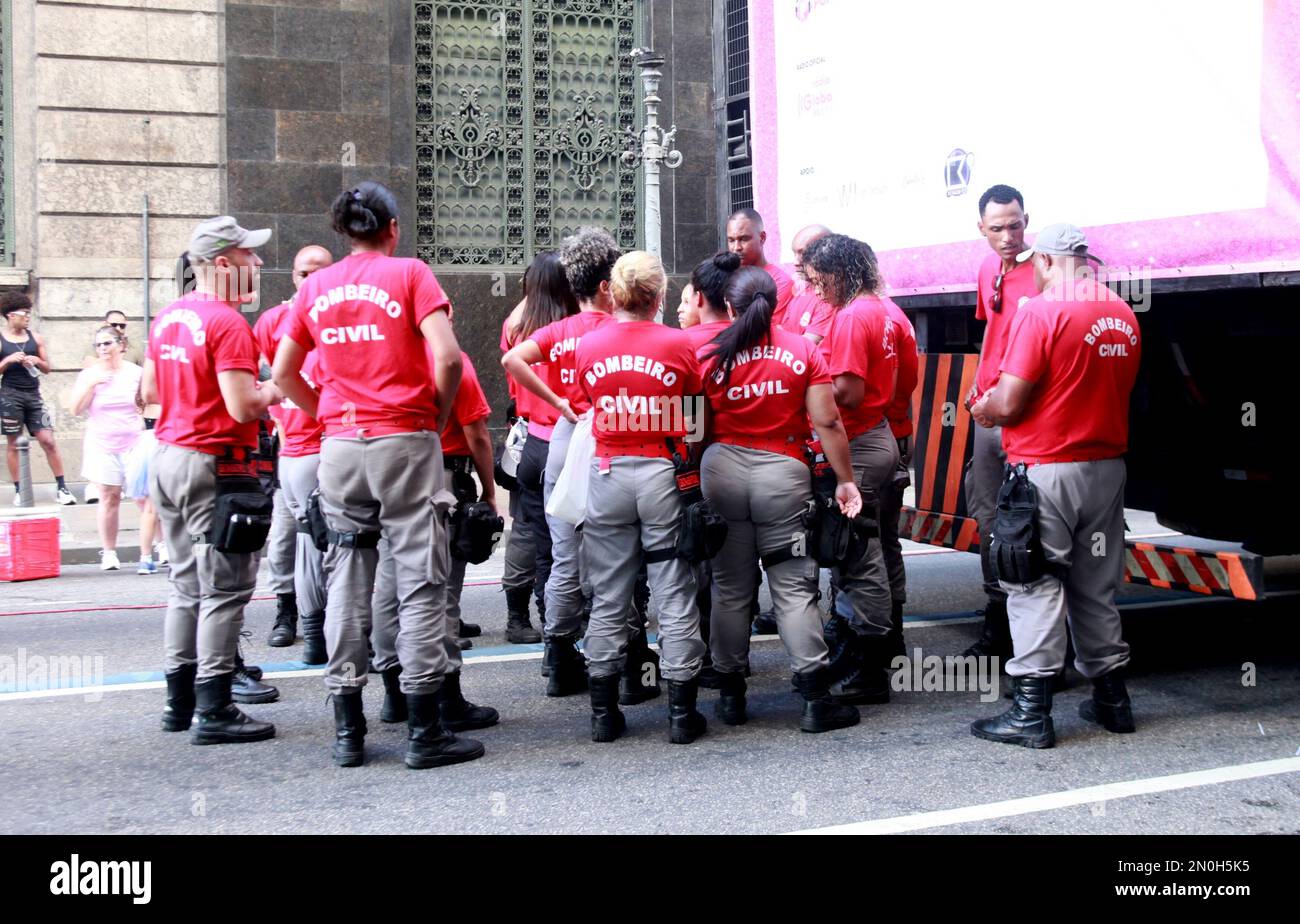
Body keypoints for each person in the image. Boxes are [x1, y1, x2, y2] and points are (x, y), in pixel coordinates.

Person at [273, 181, 483, 770]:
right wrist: (434, 416)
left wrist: (326, 416)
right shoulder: (410, 274)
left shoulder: (315, 287)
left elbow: (285, 372)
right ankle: (423, 729)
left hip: (340, 446)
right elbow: (447, 356)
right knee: (419, 579)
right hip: (403, 440)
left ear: (343, 232)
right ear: (392, 228)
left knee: (346, 576)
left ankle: (348, 729)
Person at [969, 224, 1140, 748]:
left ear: (1043, 260)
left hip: (1047, 468)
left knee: (1032, 583)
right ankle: (1112, 700)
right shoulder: (1123, 312)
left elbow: (1009, 401)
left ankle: (1031, 711)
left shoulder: (1041, 311)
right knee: (1094, 585)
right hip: (1106, 468)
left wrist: (984, 408)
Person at [699, 266, 863, 732]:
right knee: (793, 589)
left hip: (721, 471)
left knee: (730, 588)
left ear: (728, 306)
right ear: (776, 305)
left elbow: (694, 424)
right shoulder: (802, 350)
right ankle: (814, 700)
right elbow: (827, 422)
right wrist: (845, 480)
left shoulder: (707, 352)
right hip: (784, 475)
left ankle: (730, 696)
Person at [142, 215, 283, 745]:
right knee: (225, 589)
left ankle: (178, 702)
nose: (258, 262)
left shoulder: (169, 316)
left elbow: (150, 392)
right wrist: (278, 388)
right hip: (214, 464)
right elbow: (243, 405)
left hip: (169, 455)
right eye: (249, 254)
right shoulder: (227, 323)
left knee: (185, 584)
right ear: (223, 263)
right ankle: (215, 708)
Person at [574, 250, 707, 744]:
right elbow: (693, 415)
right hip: (660, 471)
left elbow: (587, 404)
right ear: (659, 296)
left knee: (609, 592)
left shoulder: (589, 345)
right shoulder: (678, 344)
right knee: (672, 587)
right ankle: (681, 714)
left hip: (608, 470)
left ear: (613, 293)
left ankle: (603, 714)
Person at [502, 227, 623, 697]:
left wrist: (556, 401)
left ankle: (557, 656)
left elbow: (513, 360)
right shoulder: (616, 330)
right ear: (607, 284)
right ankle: (616, 656)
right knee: (615, 554)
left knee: (562, 555)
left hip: (558, 439)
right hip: (605, 441)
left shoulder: (557, 330)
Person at [373, 323, 499, 736]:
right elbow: (476, 433)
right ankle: (446, 697)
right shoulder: (451, 361)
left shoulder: (382, 358)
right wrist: (489, 490)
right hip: (440, 478)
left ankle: (394, 692)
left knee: (389, 586)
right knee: (439, 590)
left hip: (385, 474)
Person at [802, 233, 900, 705]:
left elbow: (849, 393)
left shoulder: (854, 316)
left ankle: (871, 664)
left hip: (859, 441)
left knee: (861, 556)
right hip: (873, 435)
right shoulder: (877, 309)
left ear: (841, 273)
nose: (818, 292)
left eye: (821, 281)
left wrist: (807, 384)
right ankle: (859, 648)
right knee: (857, 550)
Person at [963, 184, 1038, 661]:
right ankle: (998, 620)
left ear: (1026, 220)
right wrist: (978, 388)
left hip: (1023, 416)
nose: (1008, 236)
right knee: (988, 517)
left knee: (1026, 523)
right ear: (981, 229)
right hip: (985, 413)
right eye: (997, 228)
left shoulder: (1044, 272)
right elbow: (993, 330)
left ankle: (1036, 636)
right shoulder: (988, 268)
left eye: (1015, 225)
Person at [253, 244, 334, 657]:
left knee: (336, 540)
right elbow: (265, 376)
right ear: (293, 276)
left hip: (334, 448)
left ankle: (327, 625)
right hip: (293, 449)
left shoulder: (342, 315)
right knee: (290, 537)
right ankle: (288, 612)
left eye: (319, 273)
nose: (311, 281)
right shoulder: (272, 321)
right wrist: (280, 424)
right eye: (304, 273)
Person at [498, 252, 576, 645]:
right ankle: (565, 618)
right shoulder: (571, 330)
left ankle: (518, 617)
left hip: (529, 442)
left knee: (527, 531)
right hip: (568, 439)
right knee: (571, 533)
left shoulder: (518, 328)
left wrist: (534, 289)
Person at [68, 325, 157, 572]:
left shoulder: (135, 373)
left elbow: (149, 401)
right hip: (102, 443)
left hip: (133, 441)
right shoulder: (89, 375)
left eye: (107, 343)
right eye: (98, 345)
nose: (103, 349)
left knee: (144, 497)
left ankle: (159, 546)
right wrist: (91, 385)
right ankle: (109, 552)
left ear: (121, 345)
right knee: (109, 496)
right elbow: (75, 409)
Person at [873, 251, 919, 657]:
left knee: (868, 541)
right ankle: (891, 636)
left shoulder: (865, 316)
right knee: (884, 538)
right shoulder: (893, 315)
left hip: (877, 437)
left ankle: (876, 636)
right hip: (895, 436)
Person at [1, 293, 76, 506]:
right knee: (14, 443)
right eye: (24, 313)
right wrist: (7, 360)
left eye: (29, 313)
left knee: (48, 440)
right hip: (9, 396)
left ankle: (62, 487)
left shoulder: (36, 338)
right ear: (10, 315)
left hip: (34, 396)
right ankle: (20, 490)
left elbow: (48, 368)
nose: (27, 317)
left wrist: (37, 361)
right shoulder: (2, 340)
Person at [778, 224, 836, 345]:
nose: (795, 262)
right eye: (795, 253)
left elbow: (807, 345)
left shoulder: (829, 297)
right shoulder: (801, 288)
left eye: (803, 254)